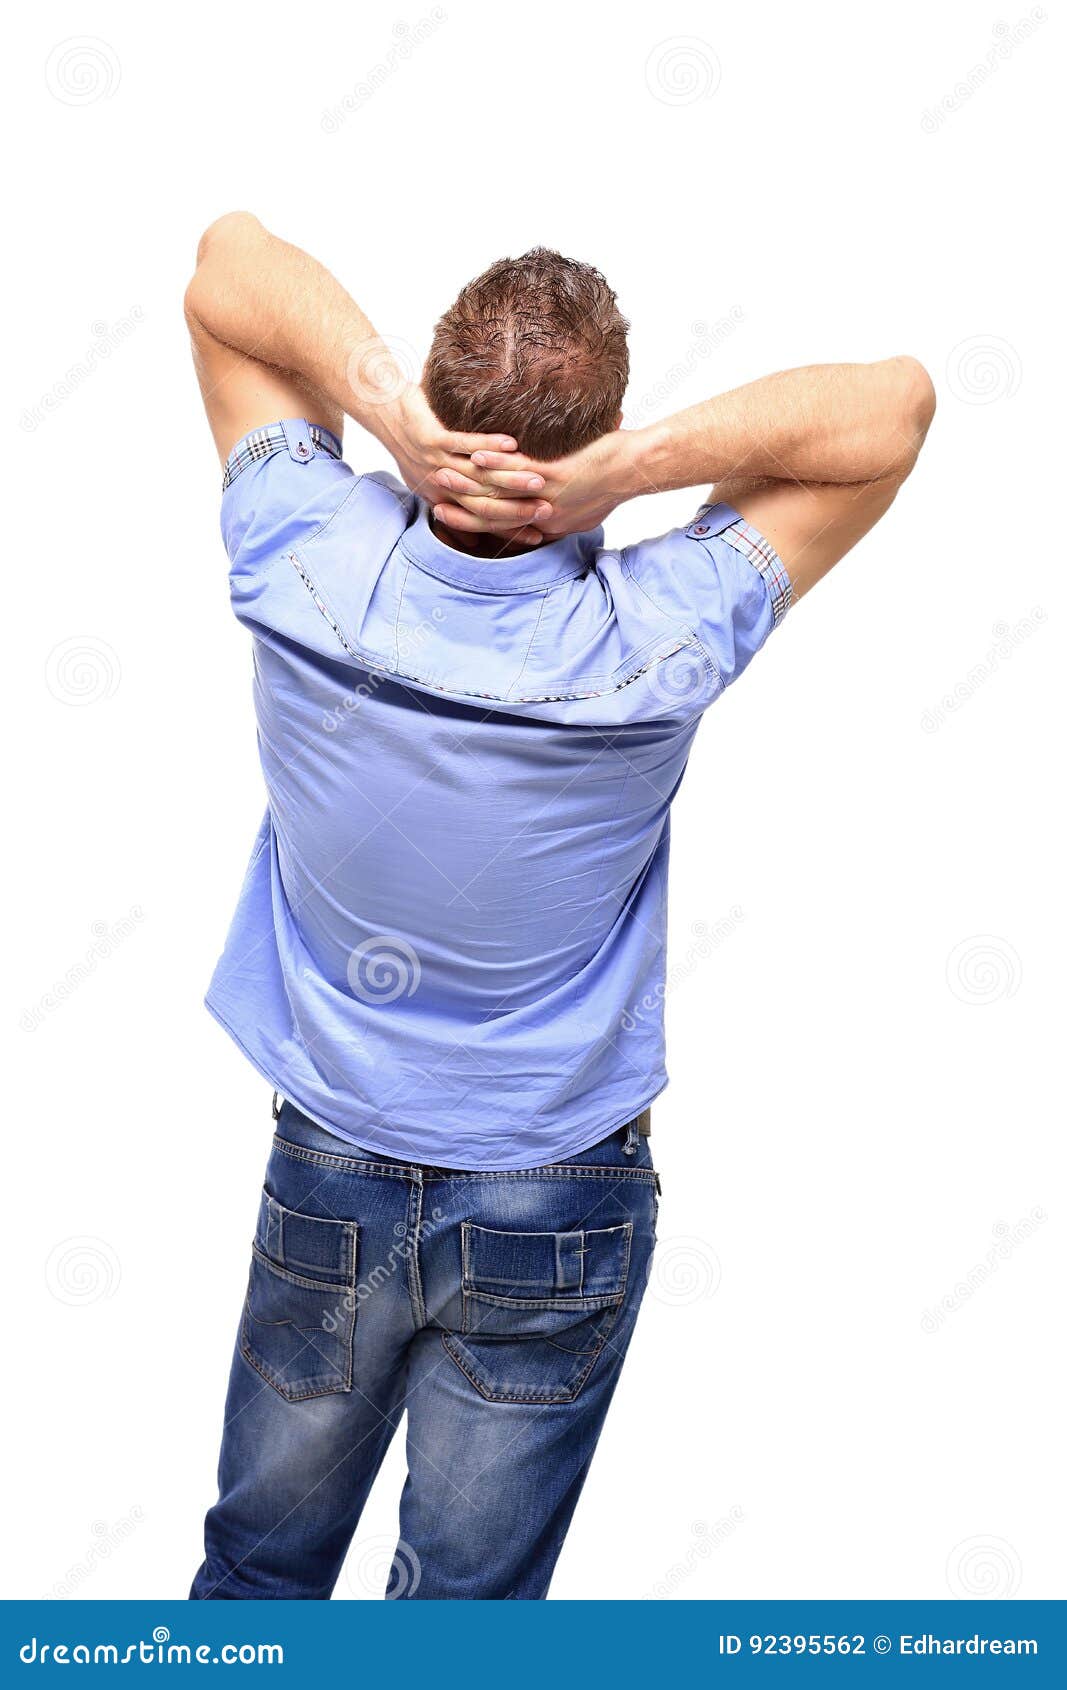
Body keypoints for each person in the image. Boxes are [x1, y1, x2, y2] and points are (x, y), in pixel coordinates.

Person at [184, 212, 934, 1599]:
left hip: (330, 1169)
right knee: (467, 1623)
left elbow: (228, 265)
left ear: (433, 381)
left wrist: (390, 424)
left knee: (255, 1576)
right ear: (596, 433)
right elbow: (896, 405)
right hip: (557, 1196)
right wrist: (633, 475)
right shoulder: (658, 640)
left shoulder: (297, 559)